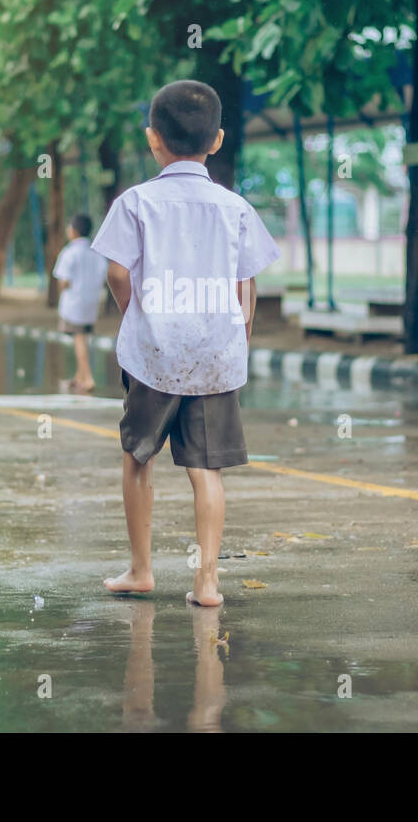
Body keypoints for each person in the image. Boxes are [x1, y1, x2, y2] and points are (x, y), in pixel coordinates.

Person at [91, 79, 280, 606]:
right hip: (214, 354)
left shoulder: (135, 203)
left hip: (153, 352)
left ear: (153, 139)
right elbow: (247, 284)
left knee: (138, 457)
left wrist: (135, 313)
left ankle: (141, 569)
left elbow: (117, 272)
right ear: (217, 140)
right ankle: (208, 581)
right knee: (206, 468)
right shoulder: (234, 207)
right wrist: (238, 333)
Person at [52, 212, 108, 393]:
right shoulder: (97, 253)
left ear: (74, 231)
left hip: (74, 303)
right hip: (91, 302)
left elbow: (63, 281)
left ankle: (88, 379)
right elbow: (104, 276)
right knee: (83, 337)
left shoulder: (69, 253)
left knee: (79, 340)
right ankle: (79, 376)